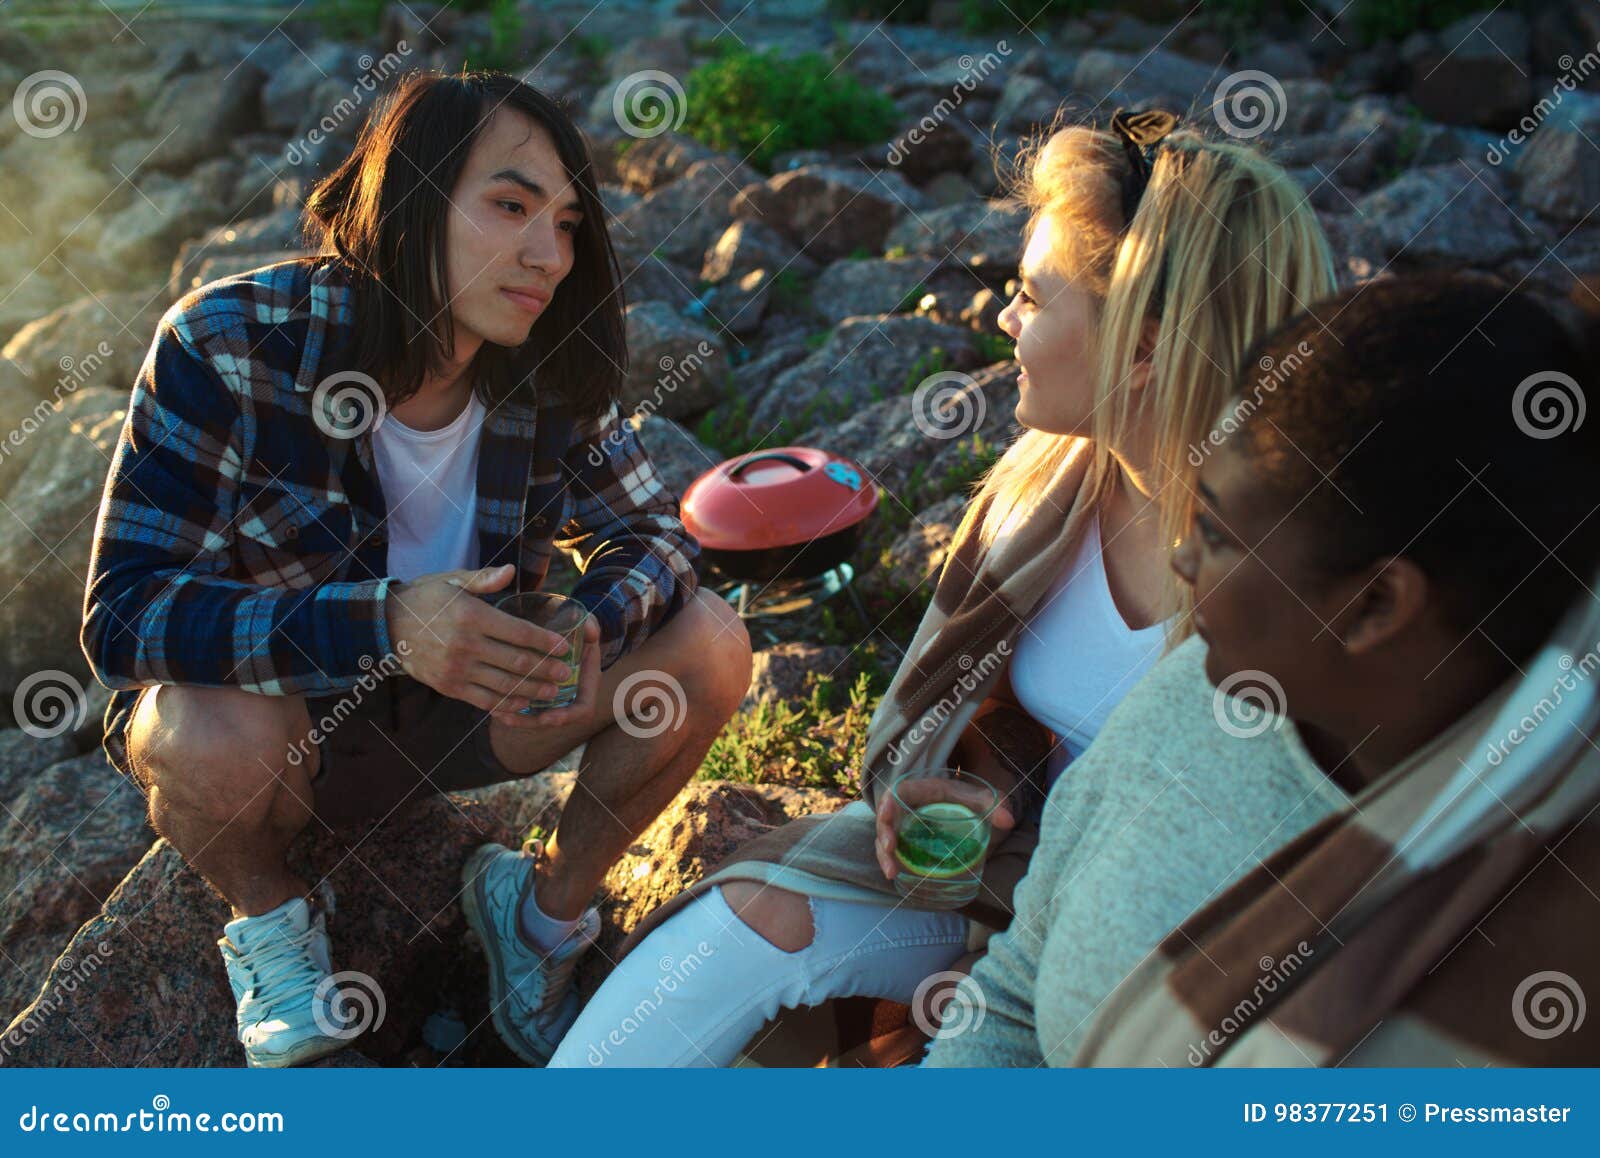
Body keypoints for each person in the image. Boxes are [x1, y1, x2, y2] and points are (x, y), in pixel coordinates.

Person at [547, 109, 1338, 1067]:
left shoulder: (1310, 584)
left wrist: (1043, 971)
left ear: (1144, 348)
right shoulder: (1043, 493)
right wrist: (972, 778)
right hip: (998, 885)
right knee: (745, 919)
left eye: (1034, 299)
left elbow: (1302, 871)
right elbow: (997, 717)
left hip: (1178, 964)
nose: (1005, 319)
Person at [79, 71, 752, 1068]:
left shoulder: (545, 363)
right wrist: (388, 623)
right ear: (409, 200)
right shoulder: (228, 342)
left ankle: (536, 924)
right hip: (286, 732)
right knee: (198, 721)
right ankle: (272, 923)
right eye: (511, 206)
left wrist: (587, 626)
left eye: (568, 223)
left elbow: (656, 534)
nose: (549, 255)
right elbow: (124, 616)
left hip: (468, 718)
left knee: (709, 642)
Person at [925, 272, 1600, 1066]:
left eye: (1214, 530)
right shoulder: (1193, 694)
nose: (1180, 556)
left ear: (1377, 604)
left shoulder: (1530, 953)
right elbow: (1013, 992)